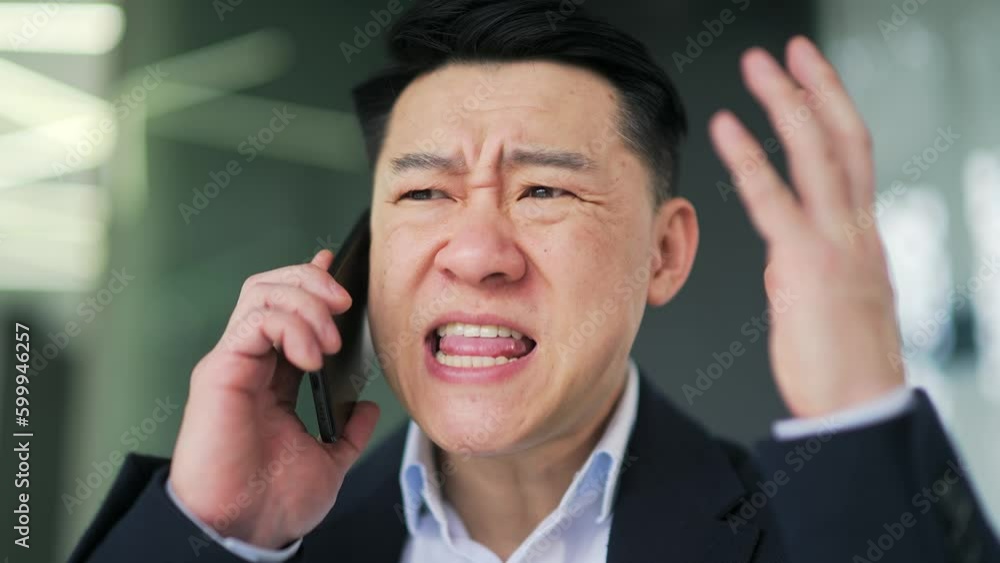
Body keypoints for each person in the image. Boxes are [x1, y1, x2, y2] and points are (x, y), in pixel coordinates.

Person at [70, 0, 999, 561]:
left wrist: (858, 421)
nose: (476, 252)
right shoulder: (269, 547)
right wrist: (215, 528)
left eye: (544, 187)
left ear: (665, 254)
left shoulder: (827, 529)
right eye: (426, 190)